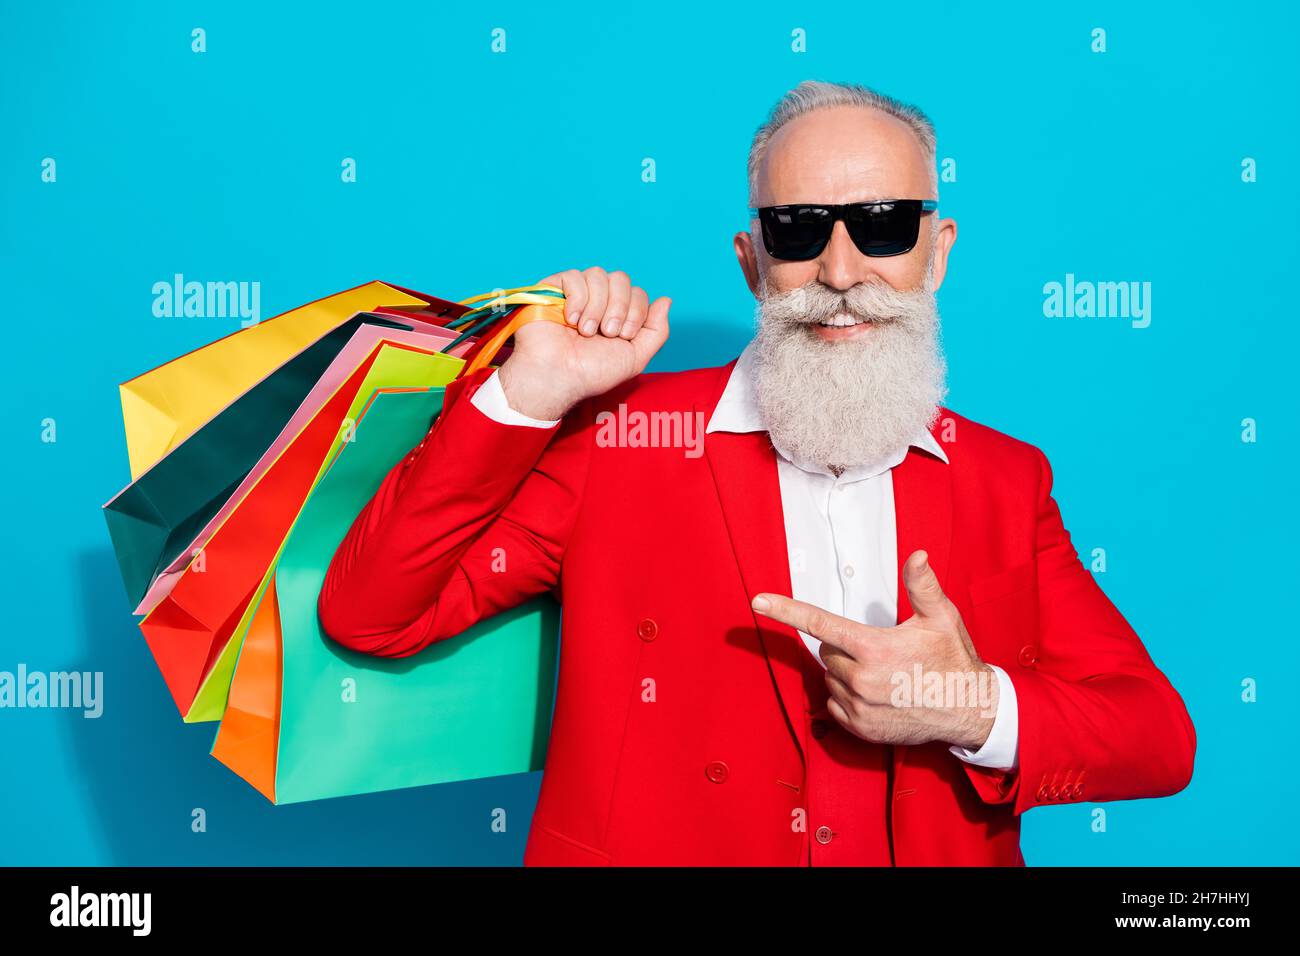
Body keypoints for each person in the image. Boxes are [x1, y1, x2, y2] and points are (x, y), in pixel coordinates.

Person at [317, 80, 1195, 866]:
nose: (842, 273)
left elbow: (1157, 739)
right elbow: (371, 616)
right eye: (800, 230)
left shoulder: (1005, 478)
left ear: (938, 251)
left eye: (884, 226)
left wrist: (968, 708)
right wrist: (526, 395)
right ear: (752, 260)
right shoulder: (619, 439)